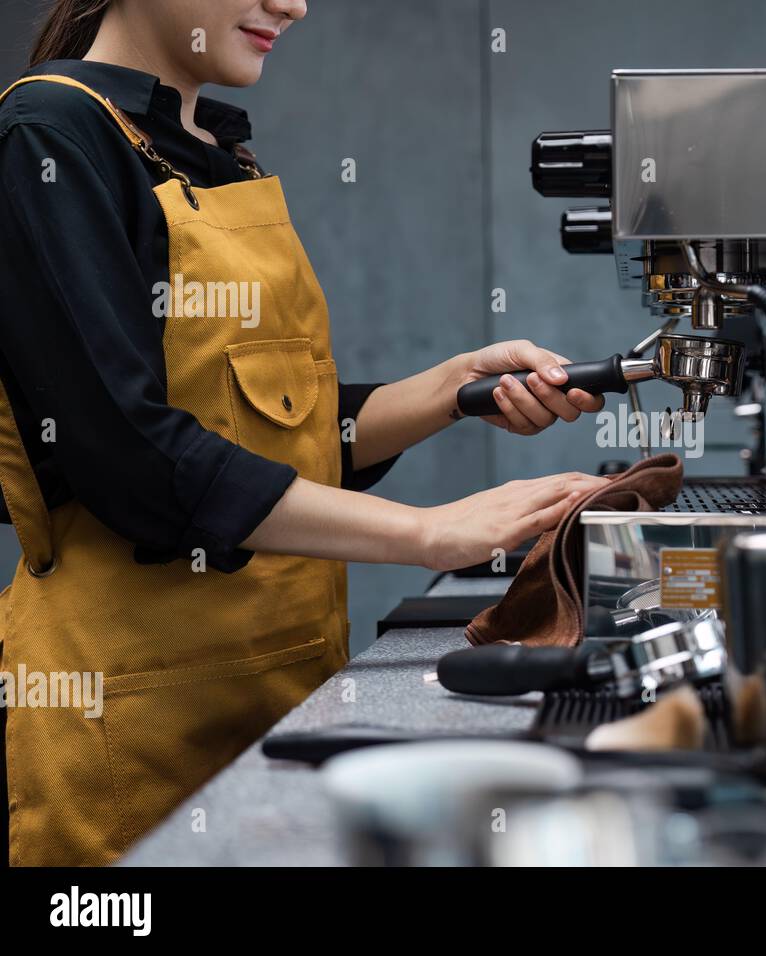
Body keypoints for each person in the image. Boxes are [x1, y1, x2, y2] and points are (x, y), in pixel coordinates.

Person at [0, 0, 607, 866]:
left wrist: (441, 391)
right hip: (133, 725)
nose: (293, 3)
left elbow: (267, 434)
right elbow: (131, 456)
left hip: (276, 698)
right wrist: (430, 532)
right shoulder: (48, 136)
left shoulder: (214, 146)